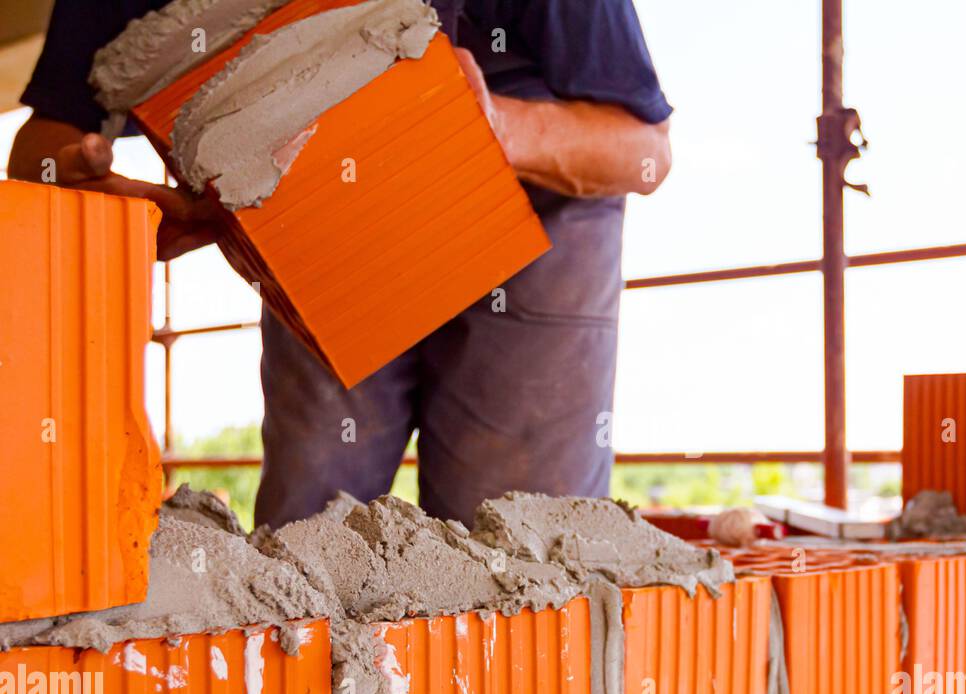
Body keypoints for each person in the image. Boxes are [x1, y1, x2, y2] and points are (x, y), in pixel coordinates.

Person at [9, 0, 672, 529]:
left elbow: (644, 150)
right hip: (312, 220)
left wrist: (492, 128)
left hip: (529, 208)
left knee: (513, 540)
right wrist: (85, 195)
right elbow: (44, 143)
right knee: (310, 527)